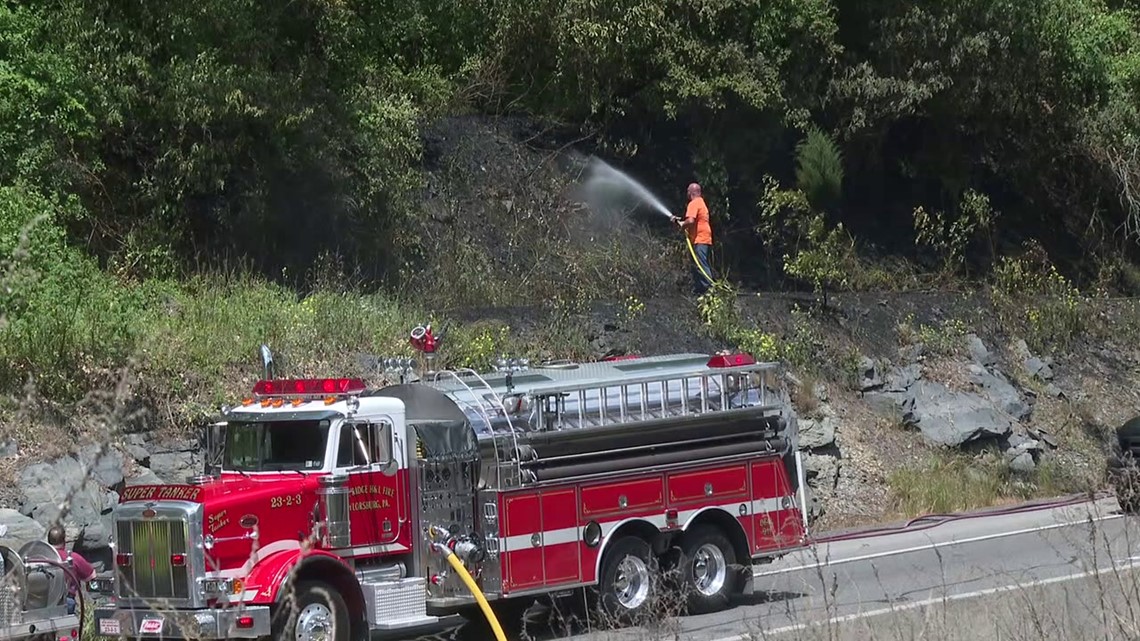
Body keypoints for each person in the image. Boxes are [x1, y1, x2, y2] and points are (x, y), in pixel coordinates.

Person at [673, 182, 714, 295]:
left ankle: (709, 290)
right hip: (704, 237)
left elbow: (690, 221)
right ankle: (700, 291)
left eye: (687, 191)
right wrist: (681, 223)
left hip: (699, 239)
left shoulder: (694, 203)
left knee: (700, 264)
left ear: (691, 192)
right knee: (697, 265)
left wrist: (682, 224)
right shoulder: (701, 203)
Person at [47, 525, 95, 614]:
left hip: (42, 603)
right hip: (65, 601)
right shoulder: (73, 558)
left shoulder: (41, 557)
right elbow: (92, 575)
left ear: (48, 541)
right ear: (64, 540)